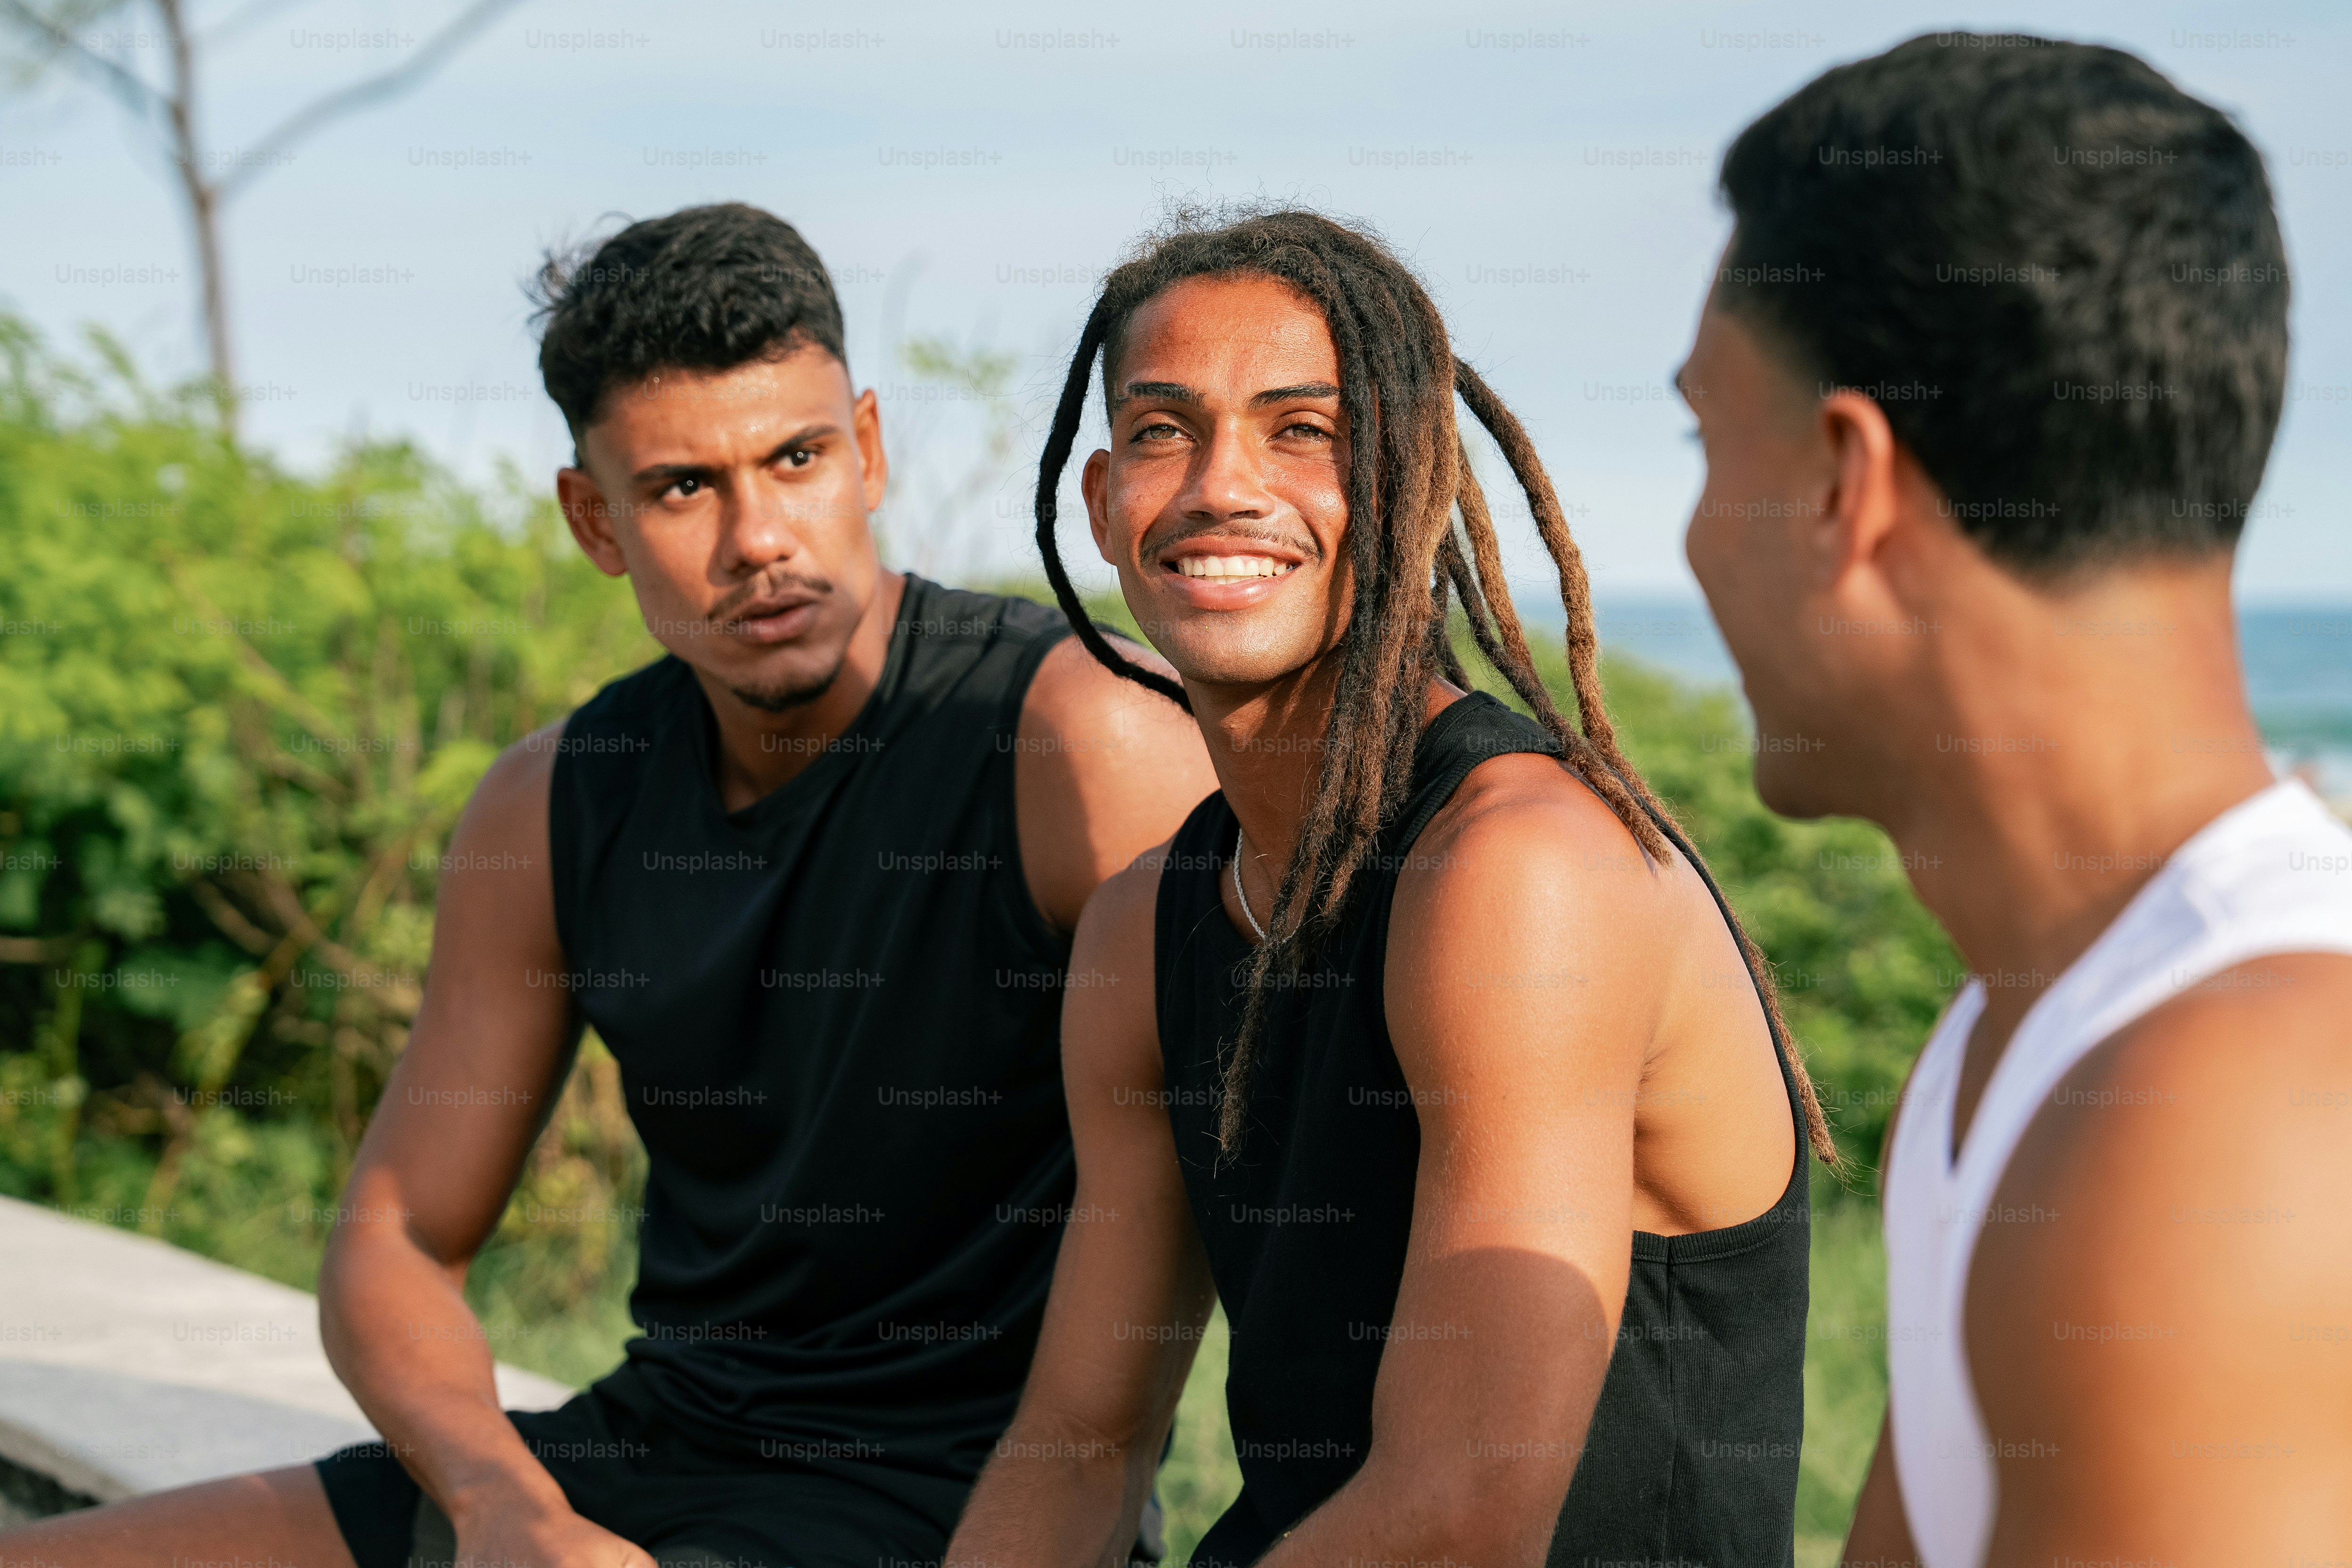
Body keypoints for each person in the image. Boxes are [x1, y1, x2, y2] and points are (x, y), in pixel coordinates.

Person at [5, 204, 1213, 1568]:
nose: (761, 537)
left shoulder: (1082, 741)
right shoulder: (554, 803)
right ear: (596, 518)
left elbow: (1233, 1214)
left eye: (798, 458)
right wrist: (500, 1507)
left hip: (937, 1507)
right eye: (684, 488)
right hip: (632, 1458)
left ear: (867, 450)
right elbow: (397, 1234)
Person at [947, 210, 1839, 1568]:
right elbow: (1082, 1440)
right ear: (1102, 504)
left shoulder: (1520, 870)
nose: (1220, 488)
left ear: (1413, 488)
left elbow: (1464, 1515)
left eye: (1303, 431)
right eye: (1163, 430)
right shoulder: (1143, 932)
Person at [1675, 35, 2352, 1566]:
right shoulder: (2011, 1043)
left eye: (1707, 445)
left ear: (1847, 484)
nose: (1699, 535)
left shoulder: (2223, 1118)